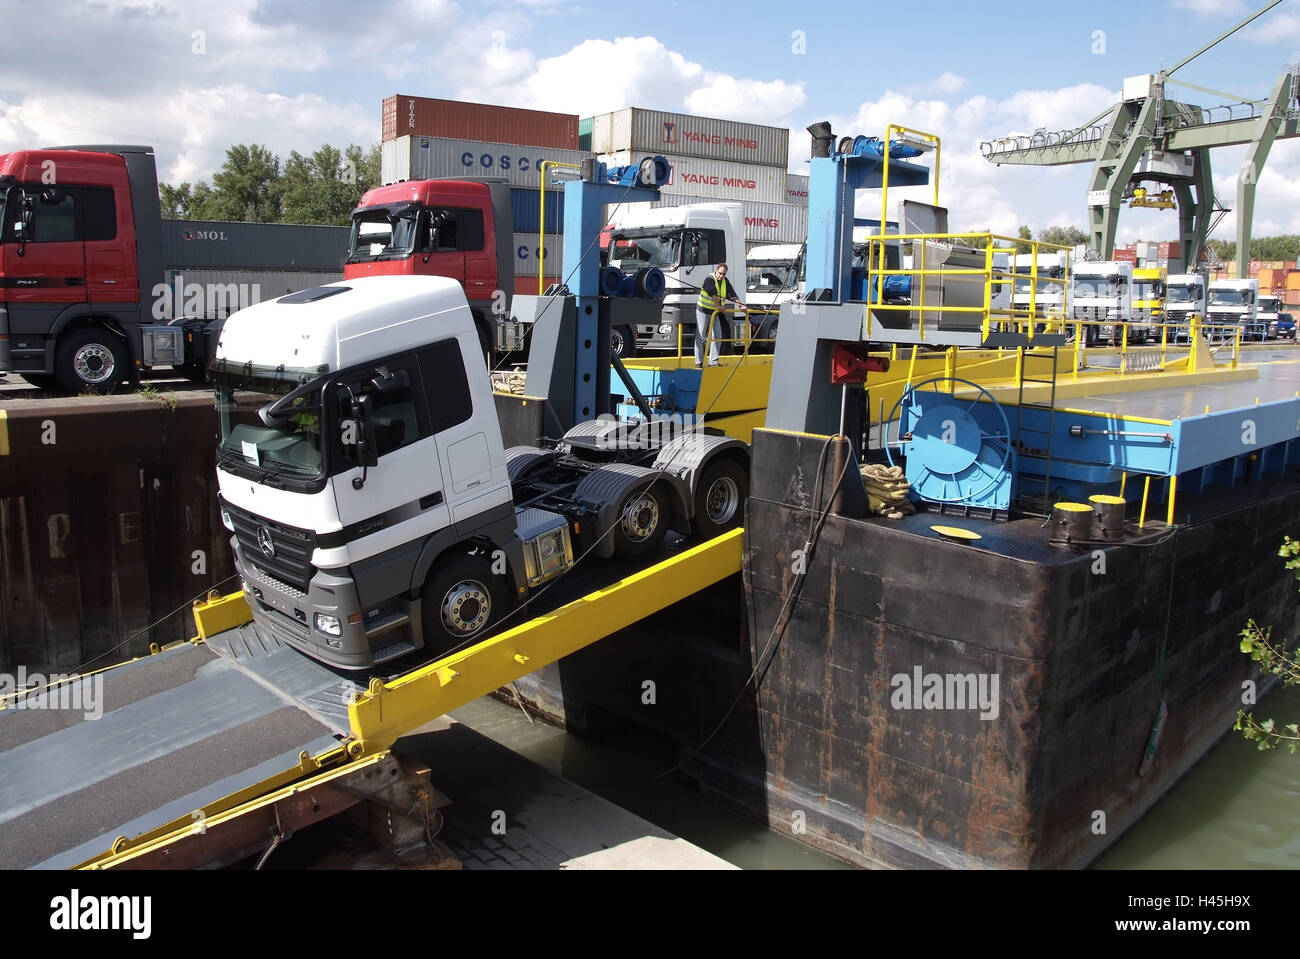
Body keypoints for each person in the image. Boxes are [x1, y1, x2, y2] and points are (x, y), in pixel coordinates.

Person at [695, 263, 743, 367]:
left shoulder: (725, 282)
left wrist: (740, 305)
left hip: (714, 313)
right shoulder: (709, 279)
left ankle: (713, 362)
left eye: (724, 274)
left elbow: (732, 294)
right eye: (720, 273)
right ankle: (699, 362)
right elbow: (713, 293)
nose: (721, 276)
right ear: (716, 271)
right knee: (701, 336)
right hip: (703, 311)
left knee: (717, 336)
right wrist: (718, 306)